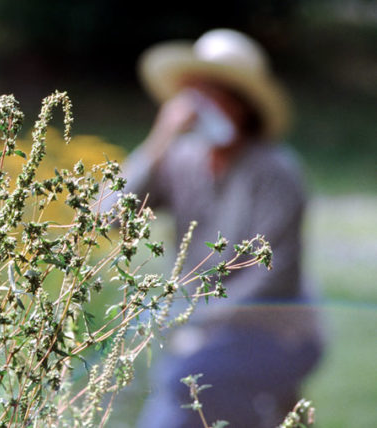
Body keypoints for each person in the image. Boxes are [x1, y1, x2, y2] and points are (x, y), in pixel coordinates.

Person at [112, 29, 323, 427]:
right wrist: (160, 139)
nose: (203, 105)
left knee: (185, 384)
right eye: (195, 93)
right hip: (205, 334)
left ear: (243, 105)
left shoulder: (276, 173)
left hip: (276, 334)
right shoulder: (179, 160)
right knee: (179, 392)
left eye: (216, 93)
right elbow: (109, 216)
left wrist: (194, 323)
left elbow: (271, 280)